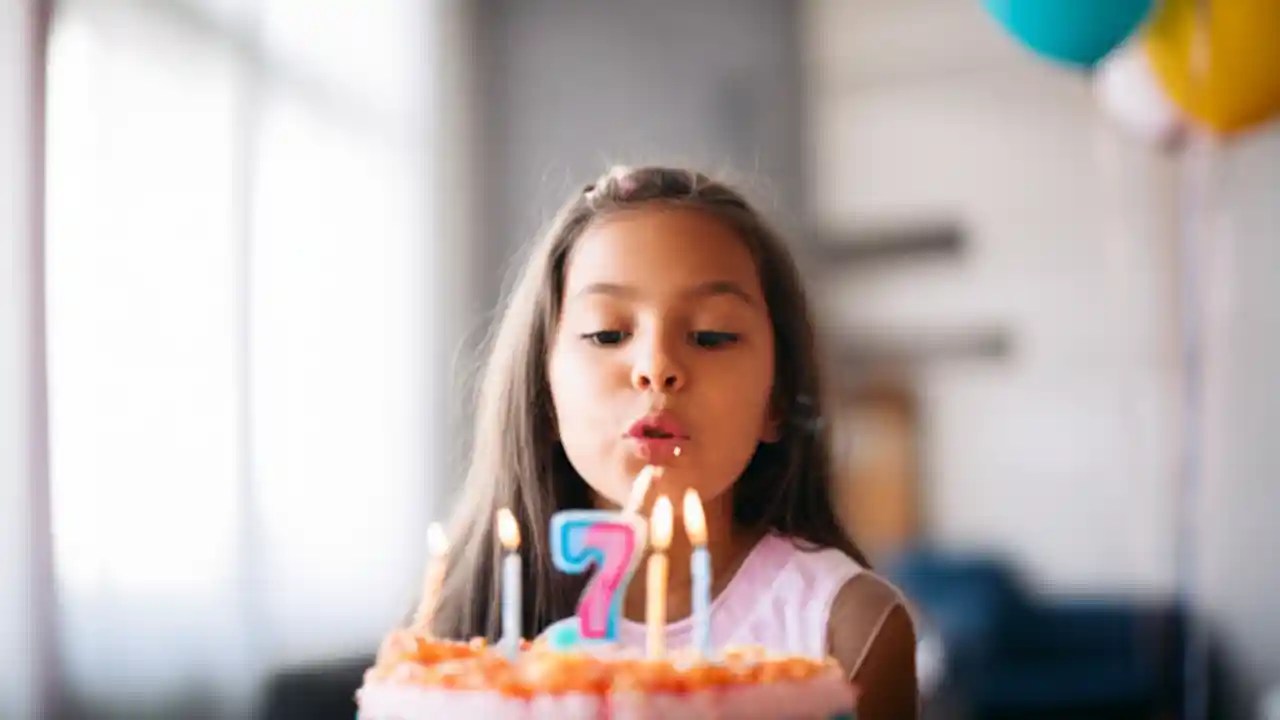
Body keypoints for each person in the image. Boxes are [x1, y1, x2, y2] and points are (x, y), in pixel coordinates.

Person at [432, 165, 918, 718]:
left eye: (711, 335)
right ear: (543, 394)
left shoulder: (845, 627)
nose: (656, 366)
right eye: (607, 334)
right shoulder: (460, 639)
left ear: (778, 398)